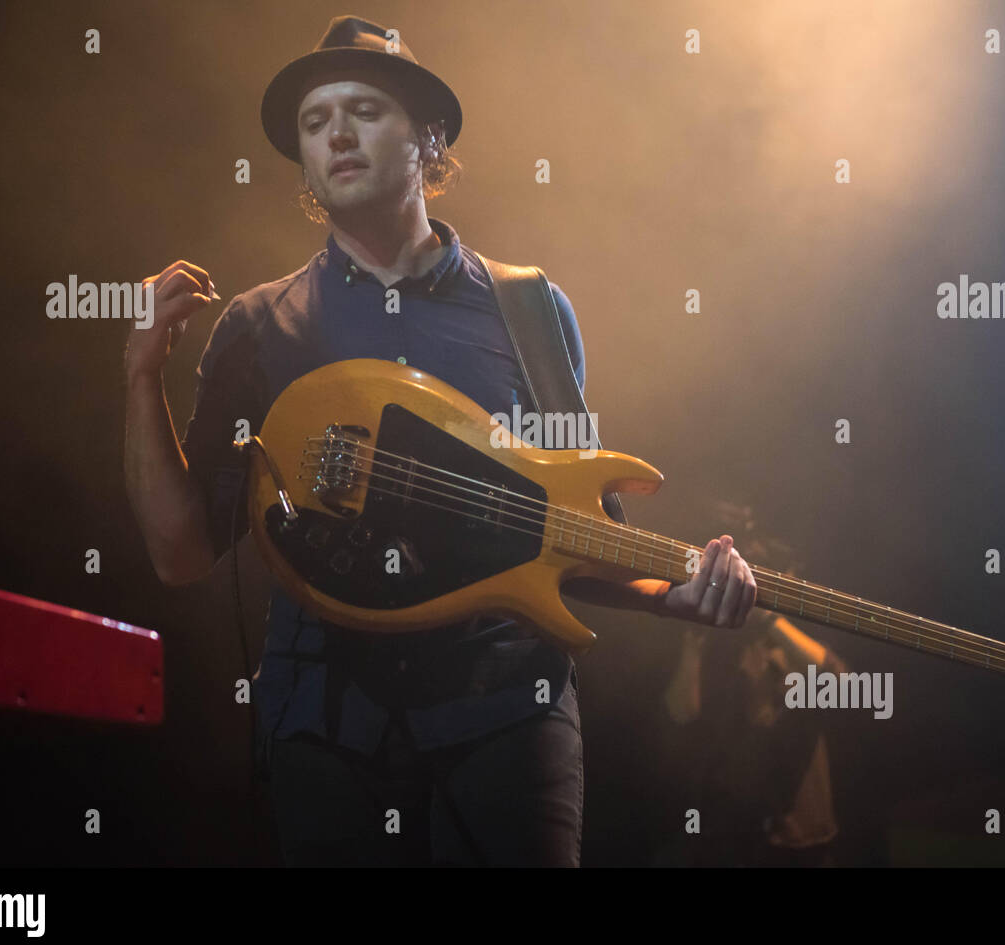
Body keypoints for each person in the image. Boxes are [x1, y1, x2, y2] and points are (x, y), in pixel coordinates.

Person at [124, 15, 759, 866]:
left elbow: (581, 536)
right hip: (324, 722)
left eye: (364, 110)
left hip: (506, 715)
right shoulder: (257, 326)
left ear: (429, 138)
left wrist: (673, 593)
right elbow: (179, 554)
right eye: (316, 123)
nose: (337, 135)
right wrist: (139, 376)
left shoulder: (531, 311)